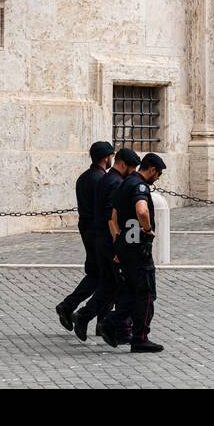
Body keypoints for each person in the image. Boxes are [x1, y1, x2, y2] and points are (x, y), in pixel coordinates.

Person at [72, 147, 140, 343]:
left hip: (100, 239)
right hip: (109, 241)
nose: (134, 172)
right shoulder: (115, 183)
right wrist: (118, 247)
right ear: (122, 164)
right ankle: (105, 324)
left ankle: (92, 320)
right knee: (119, 286)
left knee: (108, 285)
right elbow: (112, 217)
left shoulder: (104, 178)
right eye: (132, 167)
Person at [104, 152, 166, 353]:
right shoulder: (139, 186)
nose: (157, 179)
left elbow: (112, 217)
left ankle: (112, 322)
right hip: (138, 247)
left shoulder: (124, 182)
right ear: (153, 170)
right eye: (158, 174)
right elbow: (142, 211)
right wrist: (147, 229)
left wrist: (118, 240)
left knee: (131, 292)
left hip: (125, 245)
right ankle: (139, 337)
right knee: (146, 294)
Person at [55, 141, 115, 331]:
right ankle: (74, 309)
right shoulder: (102, 180)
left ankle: (95, 317)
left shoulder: (83, 178)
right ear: (106, 157)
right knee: (106, 274)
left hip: (87, 229)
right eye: (111, 156)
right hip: (98, 231)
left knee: (97, 273)